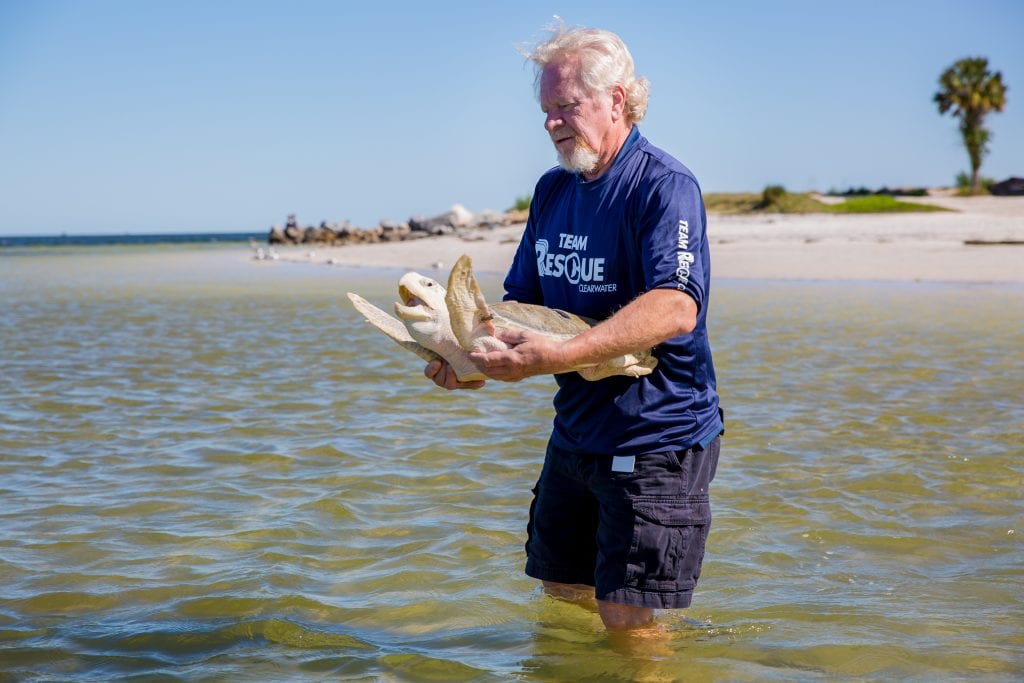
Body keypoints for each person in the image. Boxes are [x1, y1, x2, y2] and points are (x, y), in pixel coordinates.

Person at [426, 24, 723, 631]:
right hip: (574, 440)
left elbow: (676, 306)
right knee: (562, 604)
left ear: (616, 99)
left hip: (655, 441)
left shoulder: (664, 187)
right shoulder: (553, 190)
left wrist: (559, 353)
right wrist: (468, 362)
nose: (552, 122)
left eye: (566, 106)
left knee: (630, 626)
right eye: (546, 109)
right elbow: (520, 308)